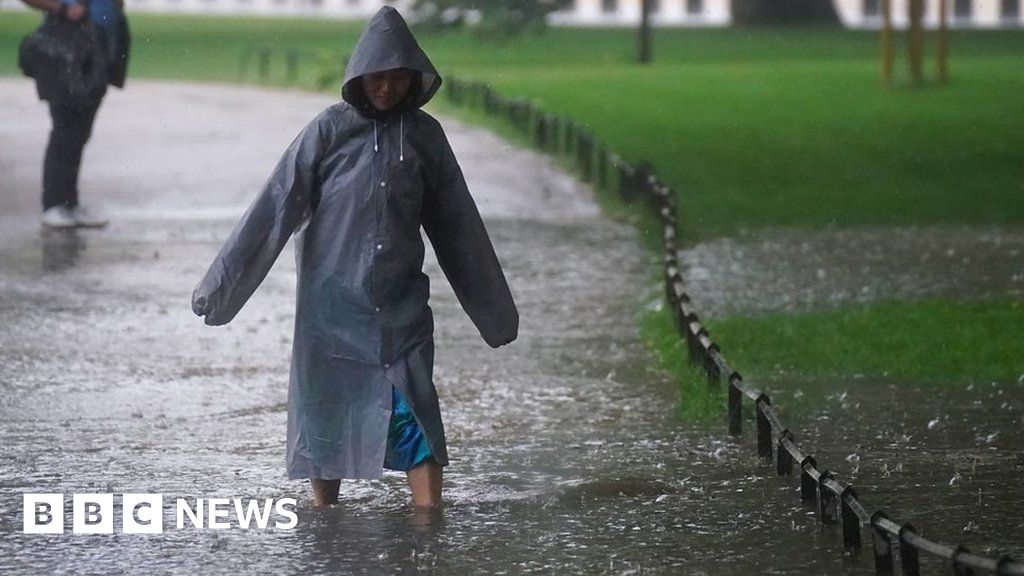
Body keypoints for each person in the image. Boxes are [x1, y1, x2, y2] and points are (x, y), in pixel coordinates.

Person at [191, 7, 518, 509]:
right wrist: (221, 289)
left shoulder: (426, 138)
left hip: (400, 306)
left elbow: (458, 225)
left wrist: (496, 315)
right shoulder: (327, 132)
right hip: (330, 310)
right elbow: (275, 207)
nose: (386, 90)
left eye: (397, 80)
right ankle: (326, 524)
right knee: (326, 416)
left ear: (414, 80)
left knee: (416, 412)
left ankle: (429, 527)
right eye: (377, 79)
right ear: (359, 78)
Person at [21, 0, 127, 229]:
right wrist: (62, 8)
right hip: (69, 48)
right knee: (65, 130)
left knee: (79, 133)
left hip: (96, 50)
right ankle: (53, 204)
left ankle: (69, 203)